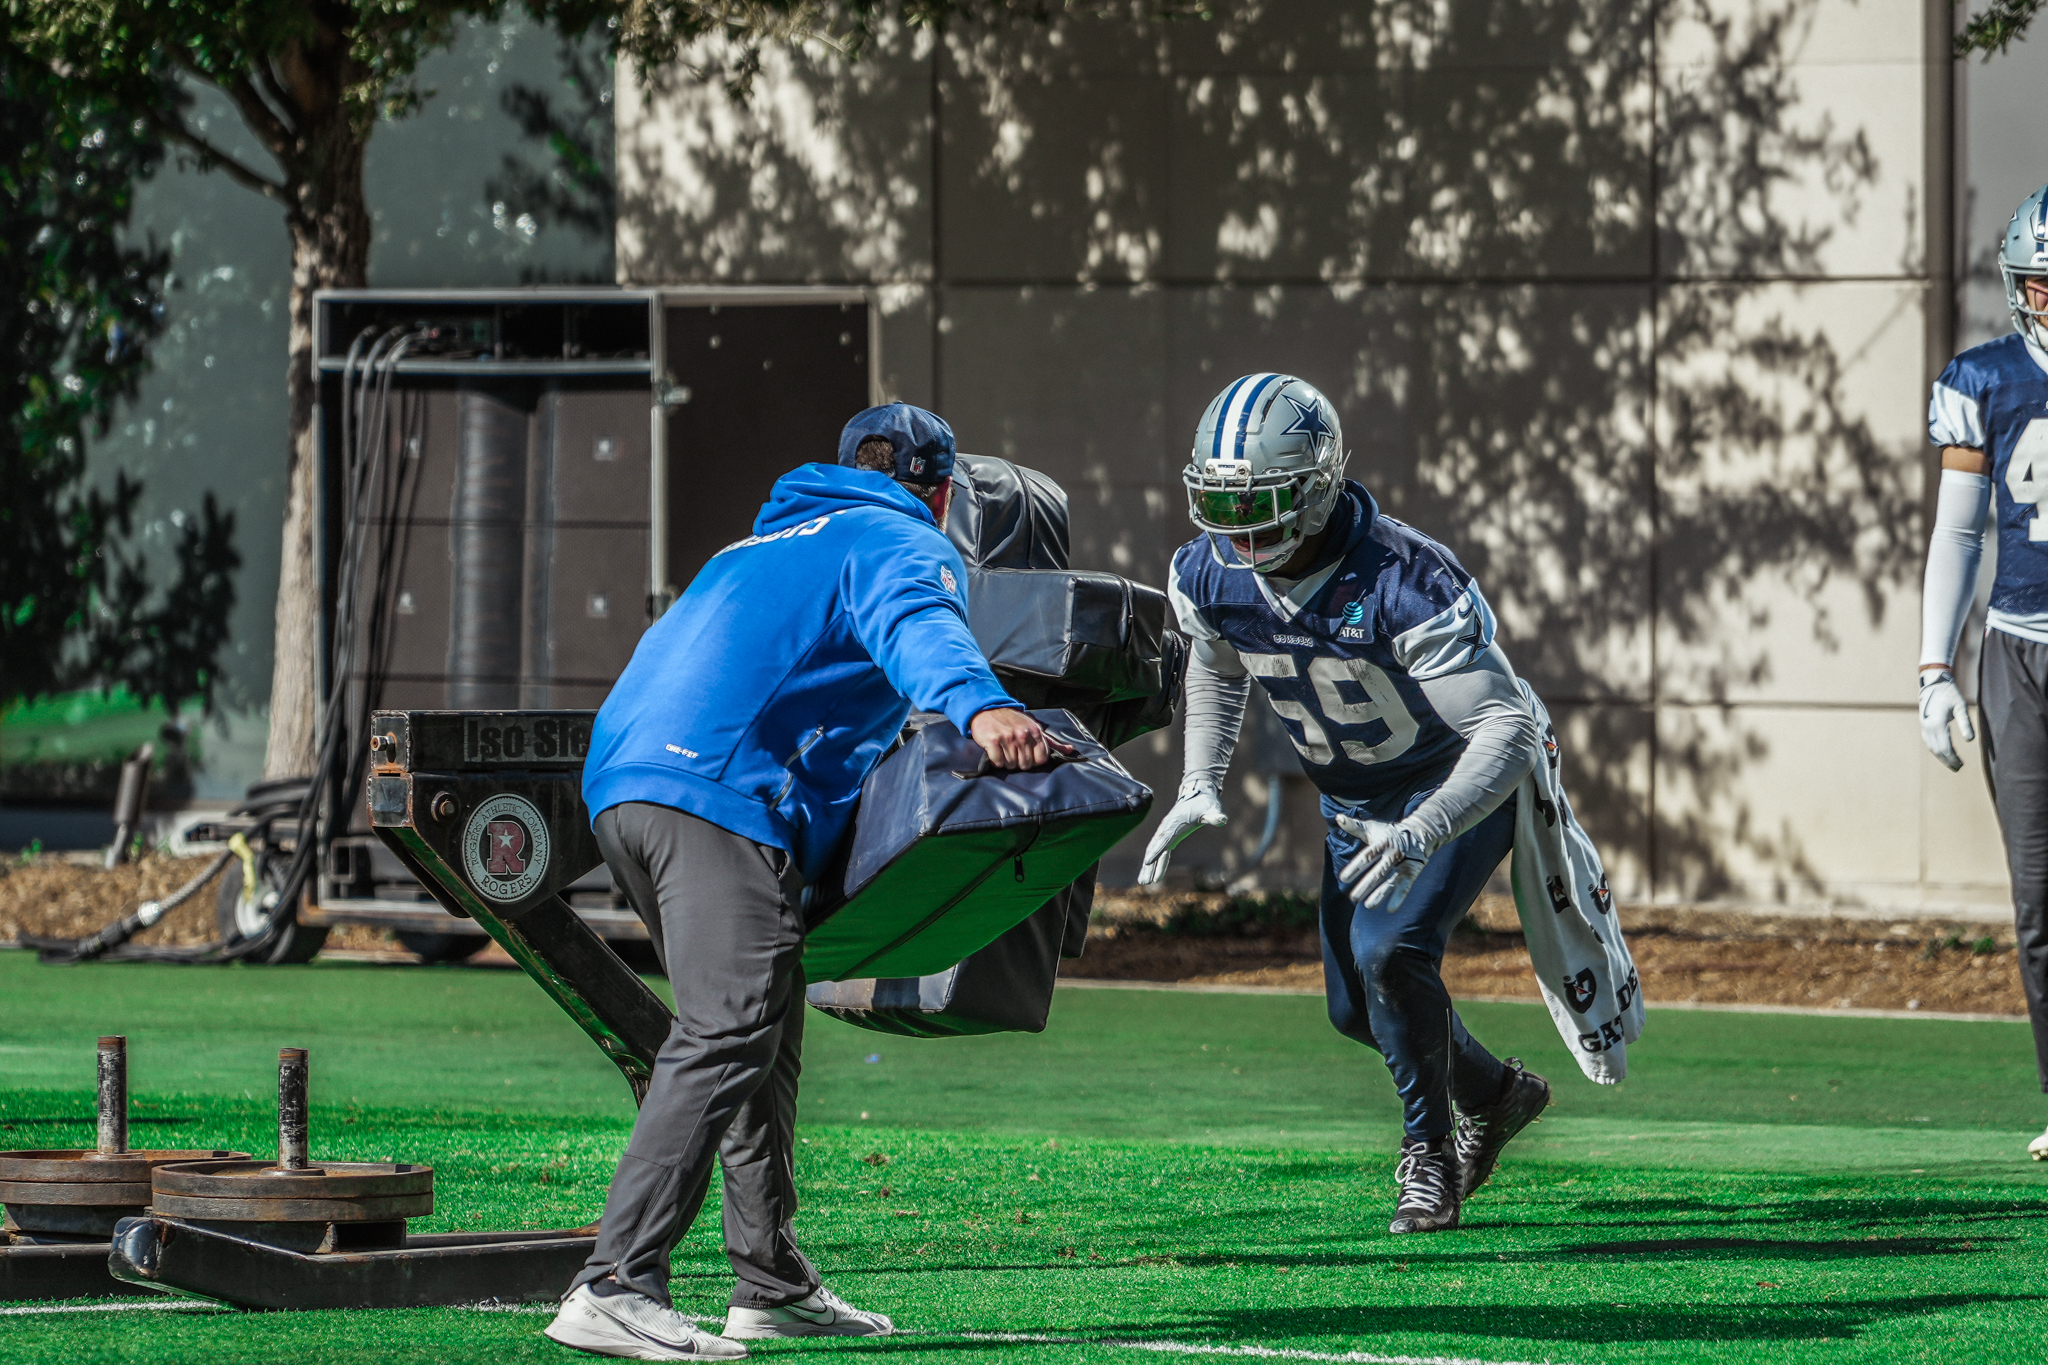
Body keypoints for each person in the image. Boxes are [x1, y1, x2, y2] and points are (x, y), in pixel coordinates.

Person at [545, 403, 1055, 1360]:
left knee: (761, 1023)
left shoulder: (754, 545)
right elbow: (917, 621)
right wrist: (982, 706)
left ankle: (771, 1281)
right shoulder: (900, 536)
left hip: (624, 786)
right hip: (718, 794)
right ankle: (615, 1283)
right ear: (942, 494)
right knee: (730, 1024)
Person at [1138, 373, 1551, 1234]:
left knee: (1390, 951)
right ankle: (1495, 1093)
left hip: (1452, 783)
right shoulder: (1209, 573)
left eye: (1260, 504)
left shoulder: (1402, 577)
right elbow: (1216, 666)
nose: (1237, 529)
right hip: (1354, 802)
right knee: (1355, 1008)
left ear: (1318, 487)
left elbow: (1507, 728)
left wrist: (1425, 826)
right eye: (1222, 503)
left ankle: (1430, 1154)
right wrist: (1199, 779)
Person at [1918, 182, 2048, 1163]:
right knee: (2039, 901)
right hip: (2017, 655)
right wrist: (1934, 668)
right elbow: (1958, 533)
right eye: (2040, 282)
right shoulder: (1986, 379)